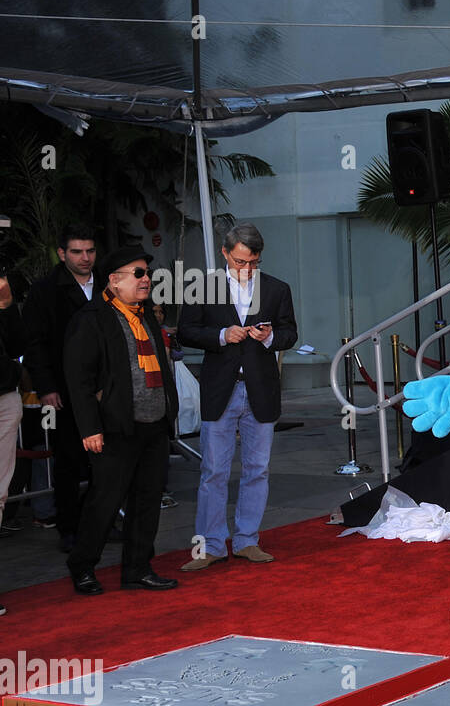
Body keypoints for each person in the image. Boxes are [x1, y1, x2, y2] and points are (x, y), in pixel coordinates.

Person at [179, 222, 297, 569]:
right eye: (240, 262)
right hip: (220, 388)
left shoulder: (277, 289)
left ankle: (247, 540)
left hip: (260, 388)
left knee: (257, 469)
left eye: (253, 262)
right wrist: (220, 335)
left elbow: (290, 332)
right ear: (225, 254)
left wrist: (270, 338)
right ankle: (212, 545)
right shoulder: (202, 287)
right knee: (213, 470)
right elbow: (186, 331)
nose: (246, 269)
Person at [63, 247, 179, 595]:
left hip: (154, 423)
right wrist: (90, 429)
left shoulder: (145, 316)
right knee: (105, 501)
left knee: (147, 501)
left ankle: (138, 568)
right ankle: (83, 566)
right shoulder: (91, 318)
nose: (146, 279)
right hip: (114, 427)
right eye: (138, 273)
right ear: (114, 281)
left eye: (147, 273)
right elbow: (78, 380)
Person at [23, 223, 98, 552]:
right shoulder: (45, 290)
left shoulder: (110, 281)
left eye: (90, 251)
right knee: (68, 461)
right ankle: (69, 529)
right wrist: (46, 387)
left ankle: (100, 523)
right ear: (62, 253)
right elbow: (34, 342)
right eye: (78, 252)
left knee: (104, 462)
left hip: (106, 388)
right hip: (65, 391)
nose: (85, 258)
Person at [0, 269, 28, 615]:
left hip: (6, 398)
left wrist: (7, 306)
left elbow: (20, 346)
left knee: (0, 493)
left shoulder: (3, 290)